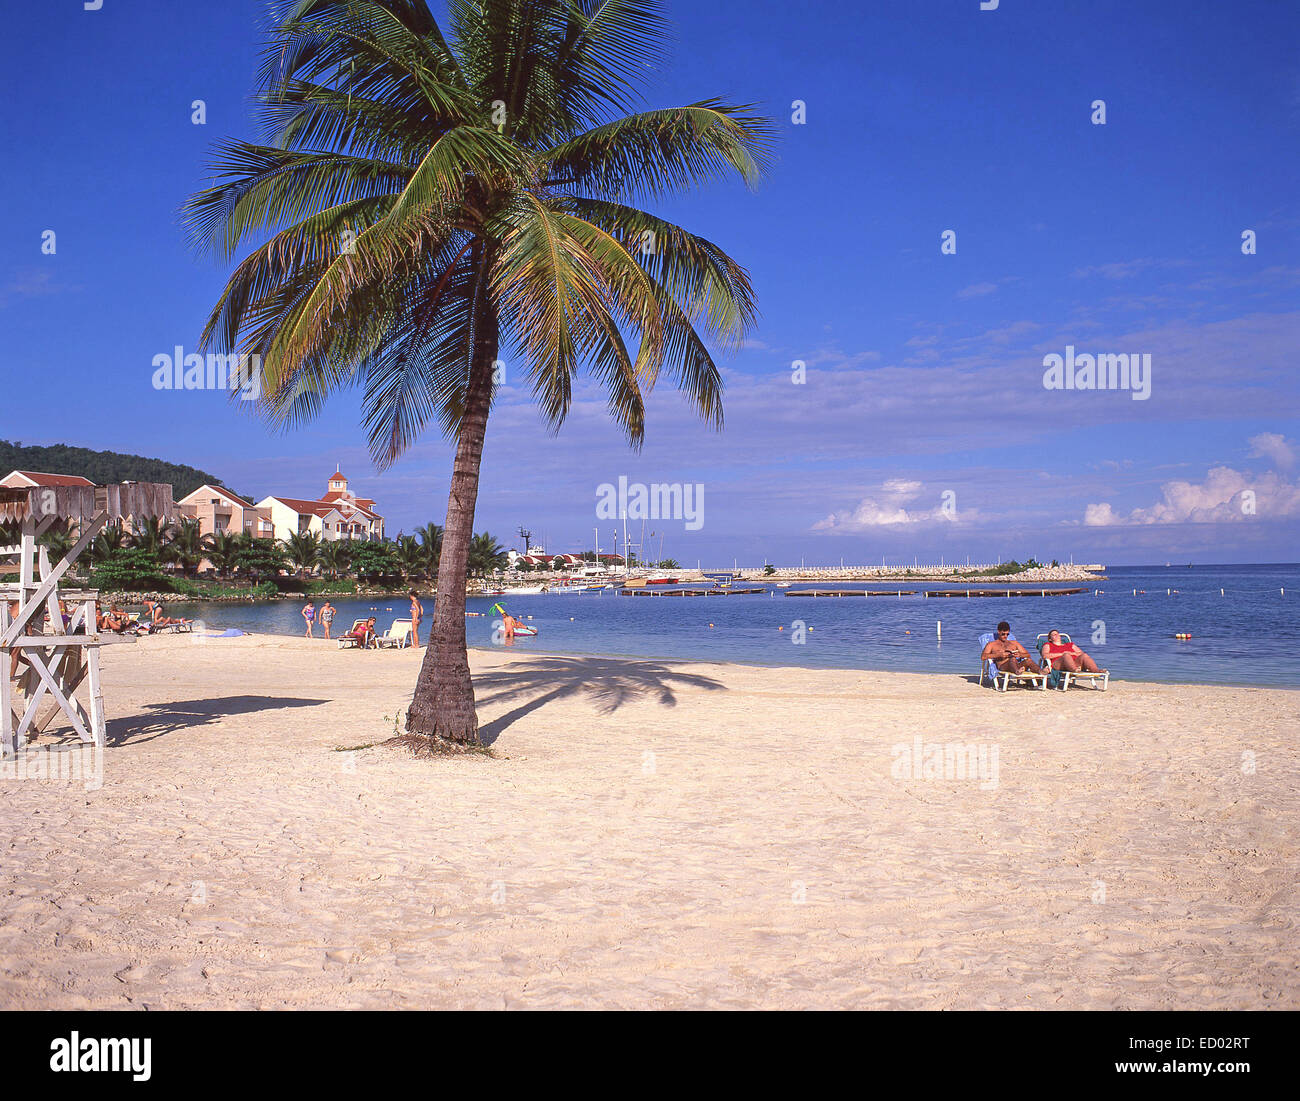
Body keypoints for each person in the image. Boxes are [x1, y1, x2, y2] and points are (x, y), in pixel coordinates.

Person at [1041, 629, 1107, 676]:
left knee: (1084, 655)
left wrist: (1071, 653)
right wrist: (1063, 654)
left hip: (1074, 663)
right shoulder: (1048, 645)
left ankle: (1096, 670)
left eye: (1058, 634)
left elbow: (1080, 653)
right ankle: (1074, 670)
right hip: (1058, 664)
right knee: (1066, 656)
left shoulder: (1070, 644)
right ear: (1050, 639)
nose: (1057, 635)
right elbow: (1045, 656)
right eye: (1054, 634)